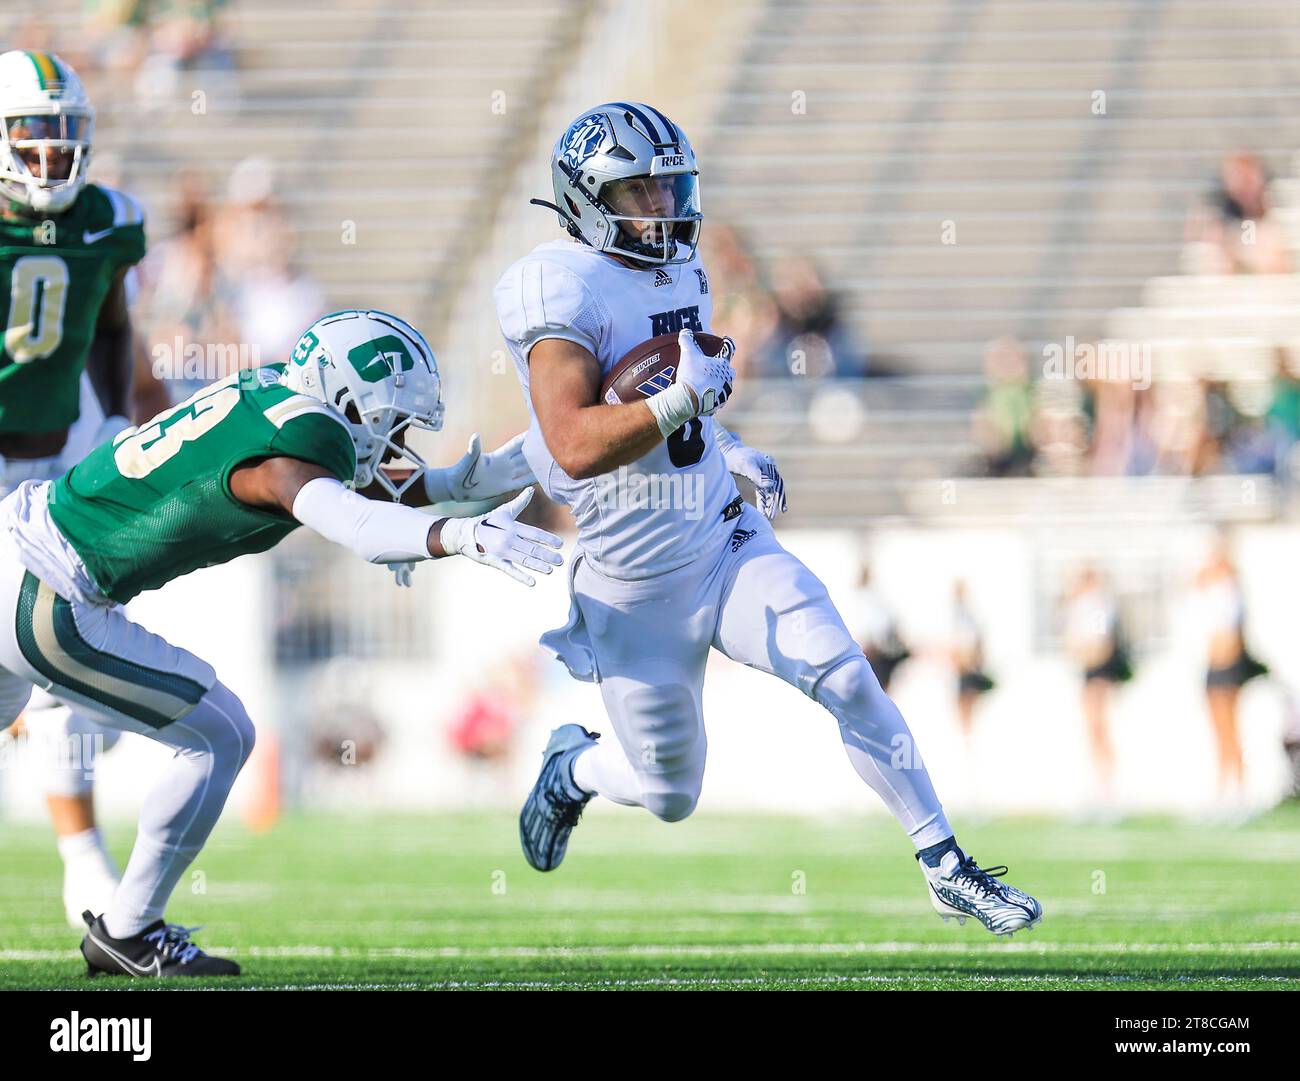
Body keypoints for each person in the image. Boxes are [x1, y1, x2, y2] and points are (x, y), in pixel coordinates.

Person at [499, 102, 1041, 936]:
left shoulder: (680, 268)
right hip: (632, 583)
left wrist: (726, 440)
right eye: (641, 193)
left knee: (846, 671)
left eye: (669, 188)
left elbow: (682, 399)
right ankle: (574, 770)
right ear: (587, 199)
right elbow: (572, 441)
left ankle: (944, 862)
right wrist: (687, 401)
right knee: (671, 791)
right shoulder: (557, 285)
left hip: (719, 536)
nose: (664, 210)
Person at [0, 308, 557, 977]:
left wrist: (446, 489)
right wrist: (458, 535)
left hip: (22, 543)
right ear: (351, 403)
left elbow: (353, 487)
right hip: (49, 588)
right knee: (220, 732)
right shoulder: (303, 440)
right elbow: (348, 518)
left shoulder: (274, 392)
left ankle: (129, 926)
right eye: (395, 422)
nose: (400, 439)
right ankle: (130, 928)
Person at [0, 48, 148, 926]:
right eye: (33, 133)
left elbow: (113, 325)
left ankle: (83, 862)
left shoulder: (108, 220)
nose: (51, 152)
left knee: (58, 659)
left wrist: (118, 421)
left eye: (64, 133)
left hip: (52, 463)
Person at [1194, 538, 1267, 807]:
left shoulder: (1230, 590)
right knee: (1218, 731)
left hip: (1226, 665)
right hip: (1214, 663)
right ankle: (1224, 789)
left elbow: (1231, 636)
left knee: (1230, 729)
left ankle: (1240, 792)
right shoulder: (1214, 591)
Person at [1063, 566, 1131, 807]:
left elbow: (1099, 643)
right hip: (1090, 669)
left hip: (1099, 670)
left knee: (1099, 728)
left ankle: (1109, 789)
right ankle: (1099, 786)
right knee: (1092, 730)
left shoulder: (1098, 603)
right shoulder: (1083, 605)